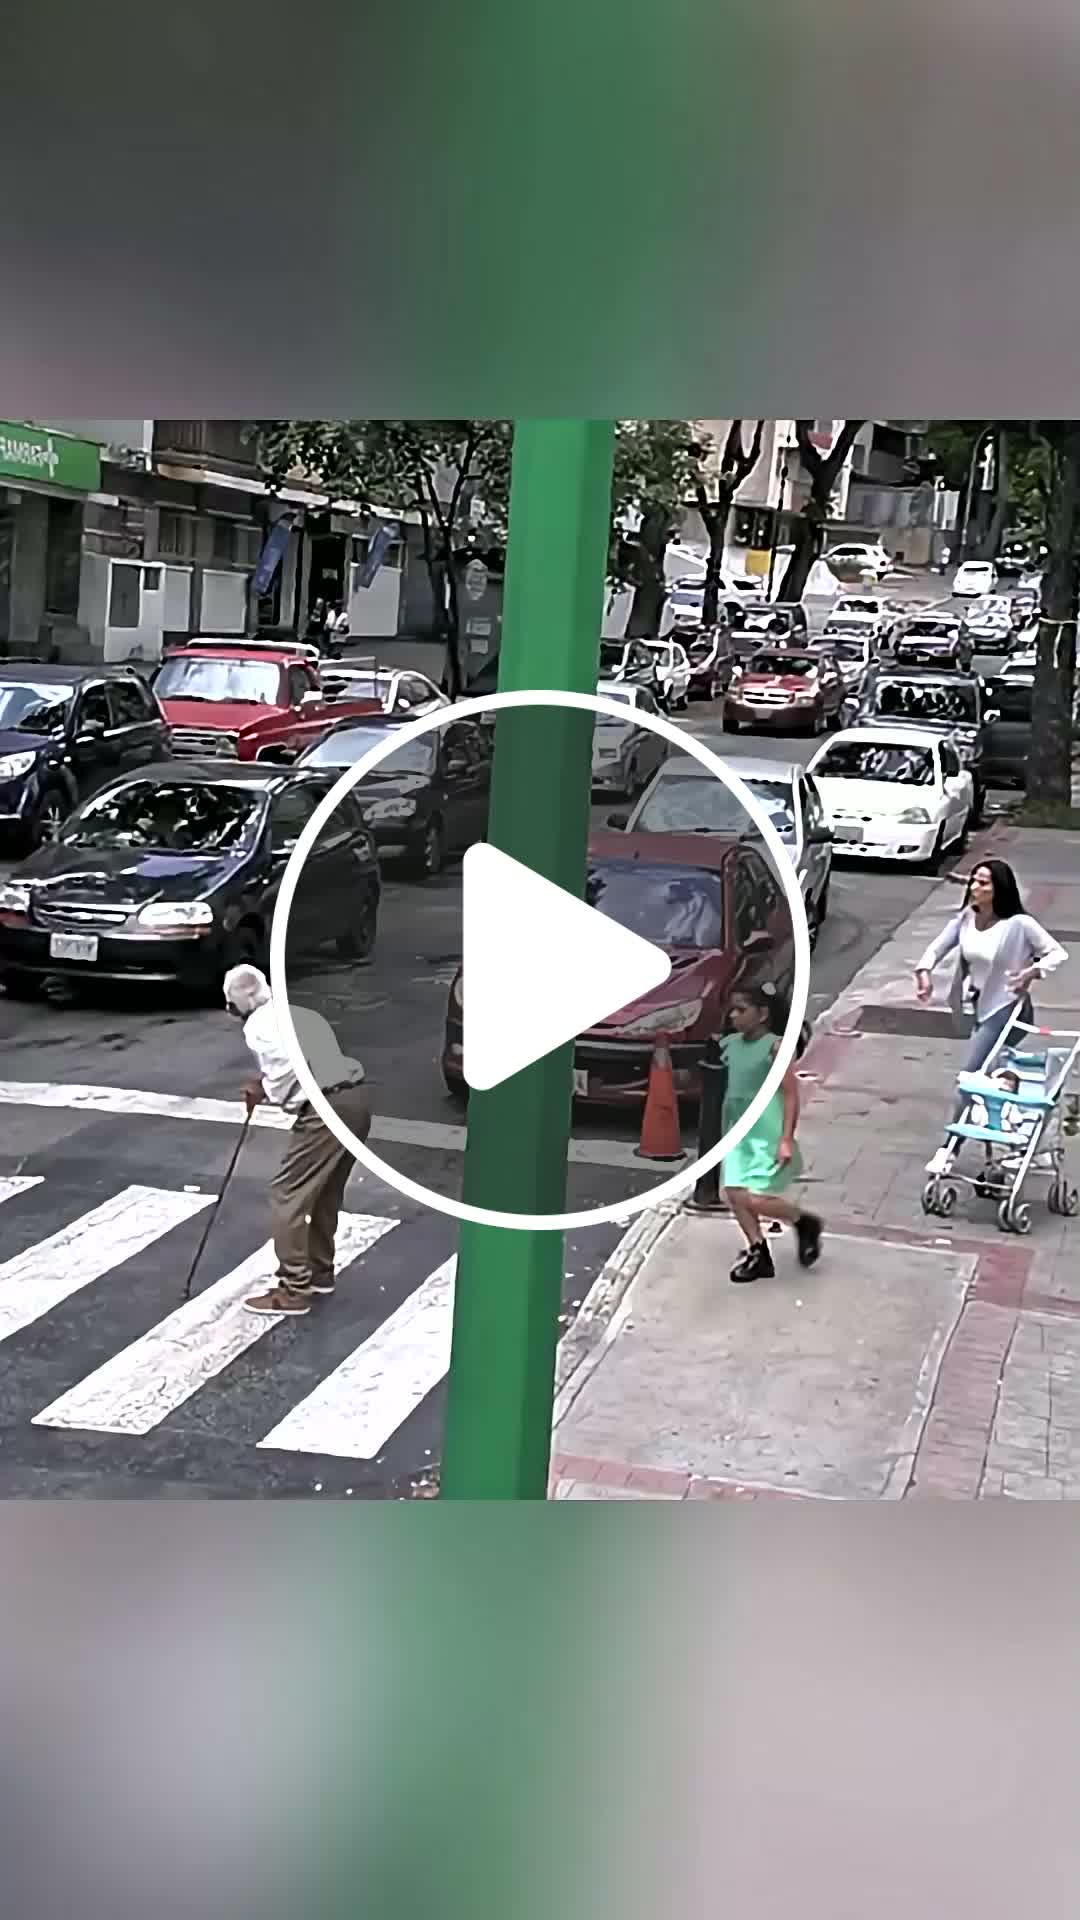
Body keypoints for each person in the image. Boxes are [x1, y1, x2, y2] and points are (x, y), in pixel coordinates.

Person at [223, 965, 372, 1316]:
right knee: (324, 1192)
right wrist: (265, 1084)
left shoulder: (258, 1026)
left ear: (238, 1005)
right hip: (356, 1100)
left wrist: (269, 1091)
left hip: (326, 1108)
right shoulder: (299, 1012)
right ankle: (320, 1272)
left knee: (286, 1194)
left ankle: (294, 1289)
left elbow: (287, 1070)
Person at [915, 859, 1067, 1175]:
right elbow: (936, 948)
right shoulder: (966, 919)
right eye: (974, 881)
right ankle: (1021, 1141)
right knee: (995, 1077)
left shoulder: (1019, 925)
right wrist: (924, 973)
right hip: (979, 1007)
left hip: (1008, 1008)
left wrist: (1032, 971)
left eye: (984, 883)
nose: (975, 888)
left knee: (971, 1076)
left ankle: (948, 1150)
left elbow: (1056, 953)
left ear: (999, 888)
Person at [720, 983, 823, 1284]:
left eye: (742, 1010)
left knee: (756, 1197)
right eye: (732, 1010)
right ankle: (757, 1250)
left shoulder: (775, 1048)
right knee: (734, 1193)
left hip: (766, 1132)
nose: (734, 1016)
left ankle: (802, 1221)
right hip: (737, 1131)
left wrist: (786, 1138)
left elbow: (790, 1094)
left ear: (762, 1014)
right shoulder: (731, 1045)